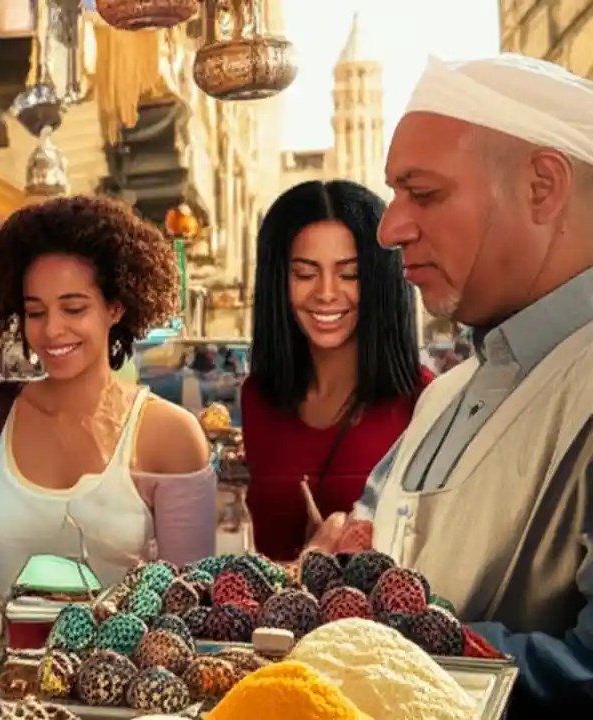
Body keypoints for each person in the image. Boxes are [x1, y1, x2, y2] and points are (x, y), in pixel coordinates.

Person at [313, 54, 593, 714]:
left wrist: (370, 641)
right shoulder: (443, 395)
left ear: (542, 187)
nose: (389, 228)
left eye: (426, 194)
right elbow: (368, 549)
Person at [0, 195, 215, 595]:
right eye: (36, 312)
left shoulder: (170, 435)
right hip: (1, 659)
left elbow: (193, 601)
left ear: (115, 307)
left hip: (125, 659)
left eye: (74, 309)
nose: (52, 331)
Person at [241, 180, 431, 561]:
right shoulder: (258, 398)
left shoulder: (425, 402)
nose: (326, 293)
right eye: (305, 273)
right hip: (272, 618)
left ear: (380, 282)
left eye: (350, 274)